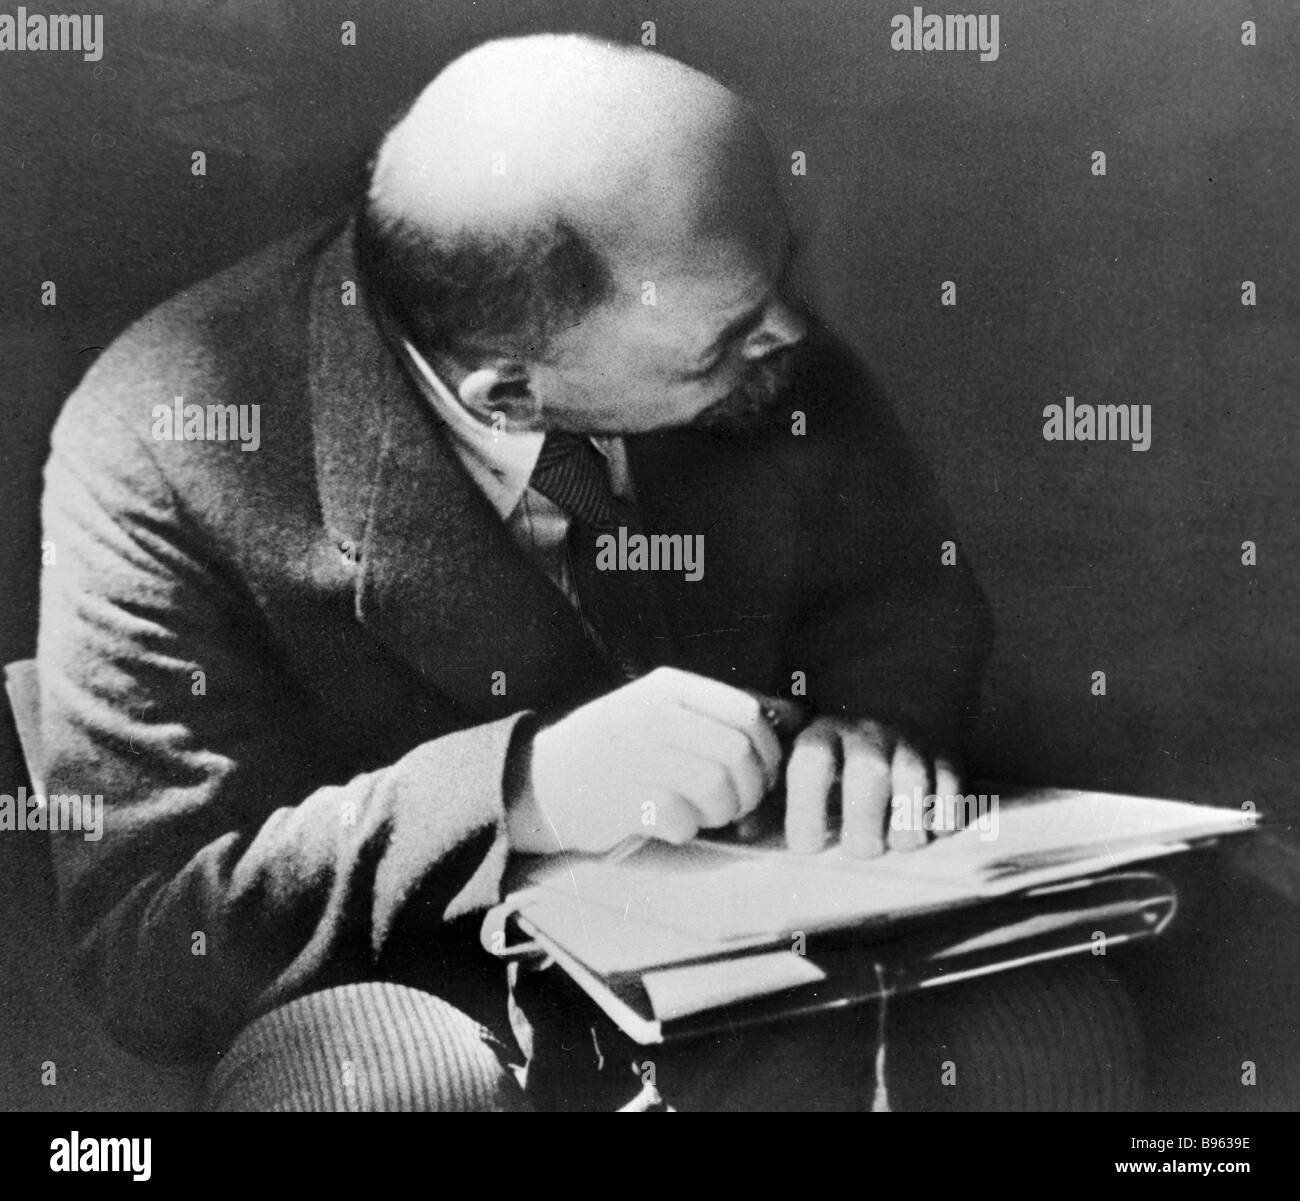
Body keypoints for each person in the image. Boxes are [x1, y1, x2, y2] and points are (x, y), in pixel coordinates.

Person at [37, 33, 1136, 1110]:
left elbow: (905, 602)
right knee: (383, 1085)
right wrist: (522, 792)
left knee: (1044, 1016)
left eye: (776, 275)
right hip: (429, 989)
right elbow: (151, 941)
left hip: (776, 942)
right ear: (505, 397)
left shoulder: (737, 327)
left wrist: (867, 729)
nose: (793, 331)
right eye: (725, 337)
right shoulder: (164, 437)